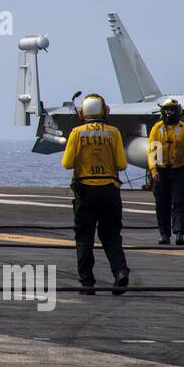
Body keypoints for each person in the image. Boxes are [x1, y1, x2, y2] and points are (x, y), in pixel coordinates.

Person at [61, 93, 130, 295]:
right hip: (110, 190)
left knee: (84, 239)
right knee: (111, 237)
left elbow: (66, 164)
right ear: (102, 110)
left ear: (84, 112)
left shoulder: (77, 133)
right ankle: (120, 273)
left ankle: (87, 283)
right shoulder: (113, 132)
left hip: (86, 191)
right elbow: (121, 164)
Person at [147, 97, 184, 245]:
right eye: (167, 109)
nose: (169, 112)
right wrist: (153, 170)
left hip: (179, 172)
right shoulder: (157, 129)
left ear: (178, 111)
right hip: (161, 172)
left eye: (172, 109)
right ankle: (164, 235)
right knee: (161, 204)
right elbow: (152, 151)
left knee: (179, 201)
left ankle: (179, 233)